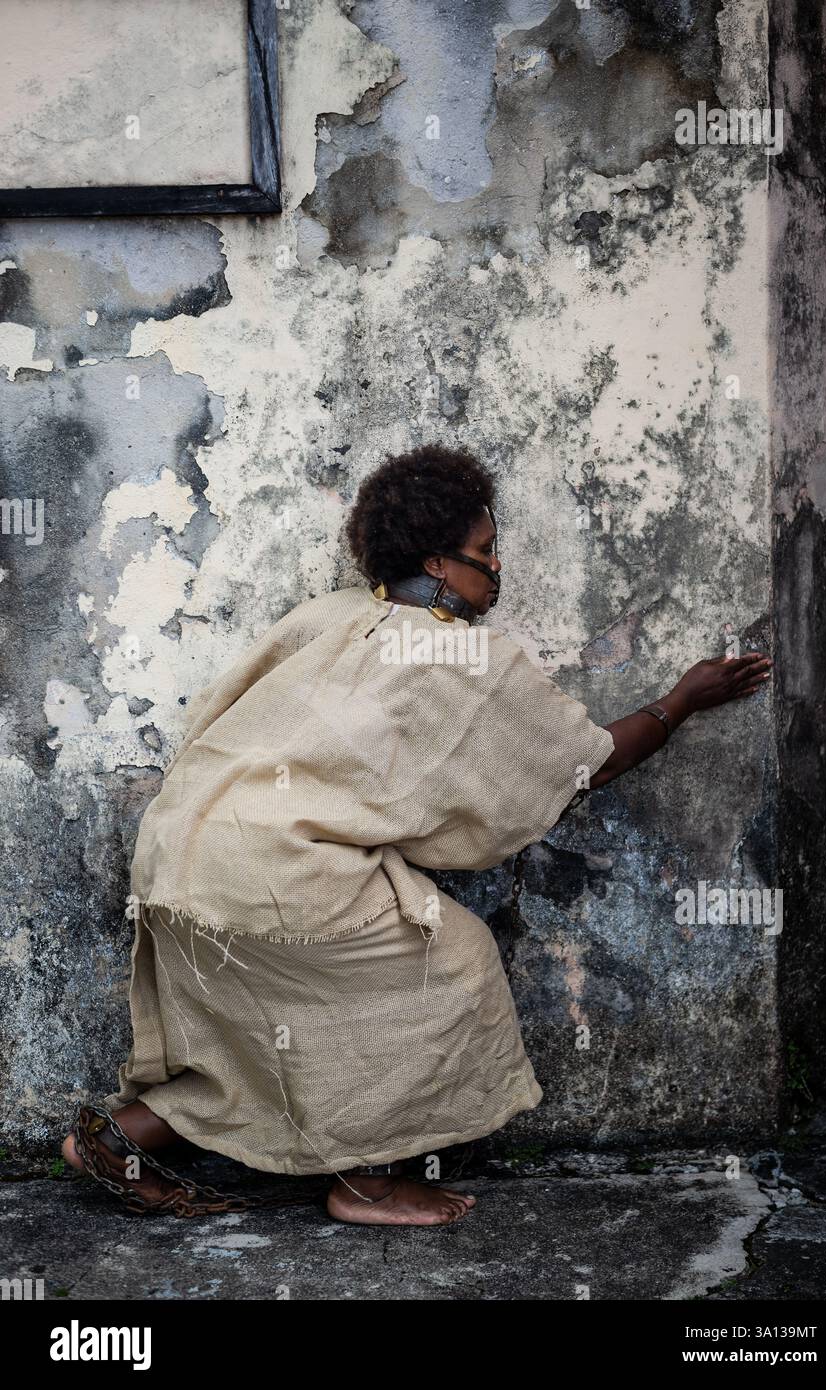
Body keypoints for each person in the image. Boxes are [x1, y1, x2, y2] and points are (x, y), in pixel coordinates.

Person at [62, 444, 772, 1226]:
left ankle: (120, 1138)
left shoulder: (325, 617)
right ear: (436, 563)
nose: (496, 570)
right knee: (452, 968)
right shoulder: (463, 655)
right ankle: (365, 1184)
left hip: (178, 850)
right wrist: (681, 698)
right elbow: (582, 769)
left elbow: (220, 715)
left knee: (266, 1032)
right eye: (485, 552)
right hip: (276, 868)